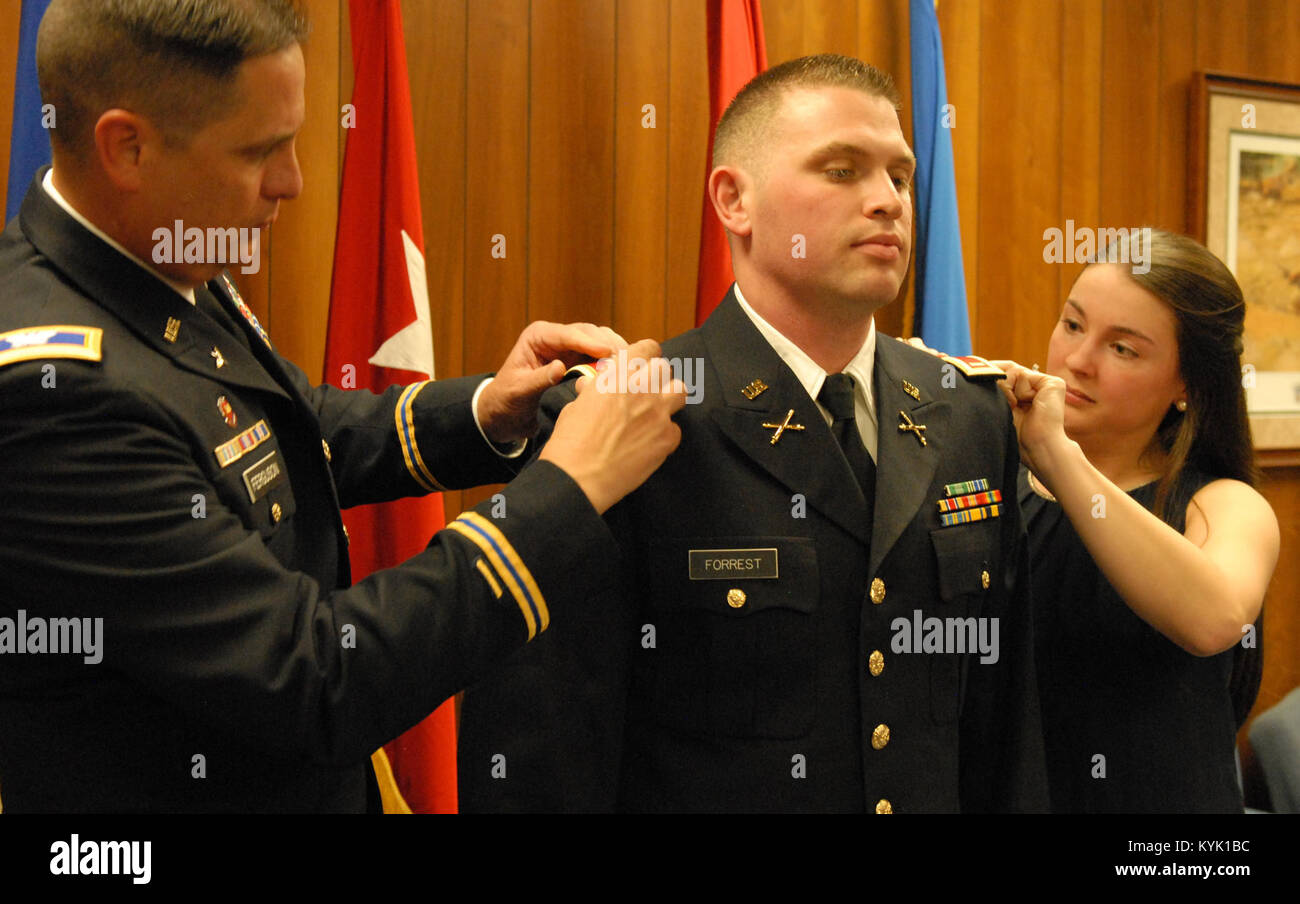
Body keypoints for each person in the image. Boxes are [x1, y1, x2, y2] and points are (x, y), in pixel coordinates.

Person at [0, 0, 685, 812]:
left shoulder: (154, 256)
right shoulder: (52, 394)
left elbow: (287, 431)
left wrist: (486, 412)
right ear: (127, 147)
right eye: (261, 151)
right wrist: (568, 488)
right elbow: (314, 679)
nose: (290, 183)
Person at [457, 54, 1048, 812]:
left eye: (899, 176)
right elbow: (545, 737)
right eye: (841, 170)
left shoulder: (967, 414)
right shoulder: (630, 413)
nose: (888, 202)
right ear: (734, 199)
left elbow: (1002, 732)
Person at [991, 230, 1278, 812]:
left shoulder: (1222, 504)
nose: (1077, 361)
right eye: (1072, 325)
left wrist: (1056, 455)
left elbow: (1213, 617)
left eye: (1123, 348)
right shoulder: (993, 475)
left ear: (1186, 387)